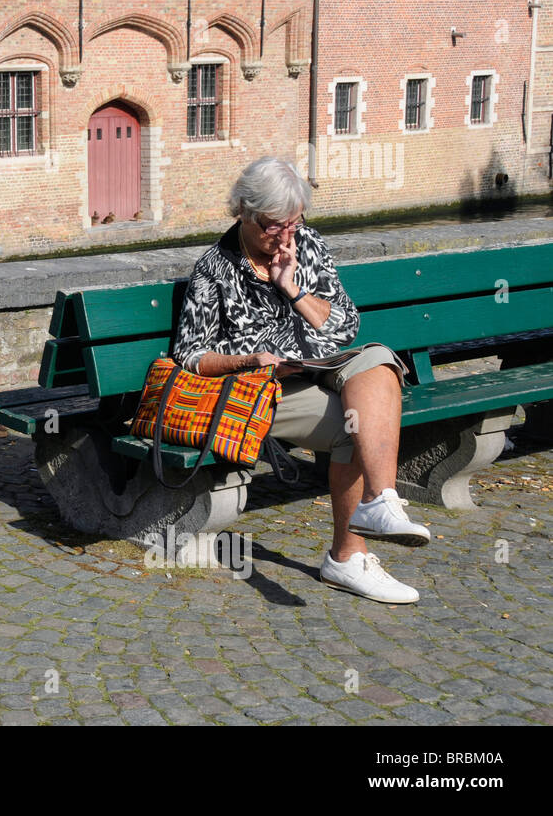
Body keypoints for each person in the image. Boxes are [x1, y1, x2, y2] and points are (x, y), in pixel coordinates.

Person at [172, 156, 429, 604]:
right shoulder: (214, 268)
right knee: (357, 428)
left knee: (378, 361)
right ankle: (348, 557)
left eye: (293, 222)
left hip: (323, 369)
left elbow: (344, 327)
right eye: (273, 226)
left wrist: (293, 289)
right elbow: (190, 356)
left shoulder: (306, 245)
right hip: (262, 390)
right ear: (244, 213)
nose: (285, 236)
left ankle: (381, 501)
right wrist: (250, 360)